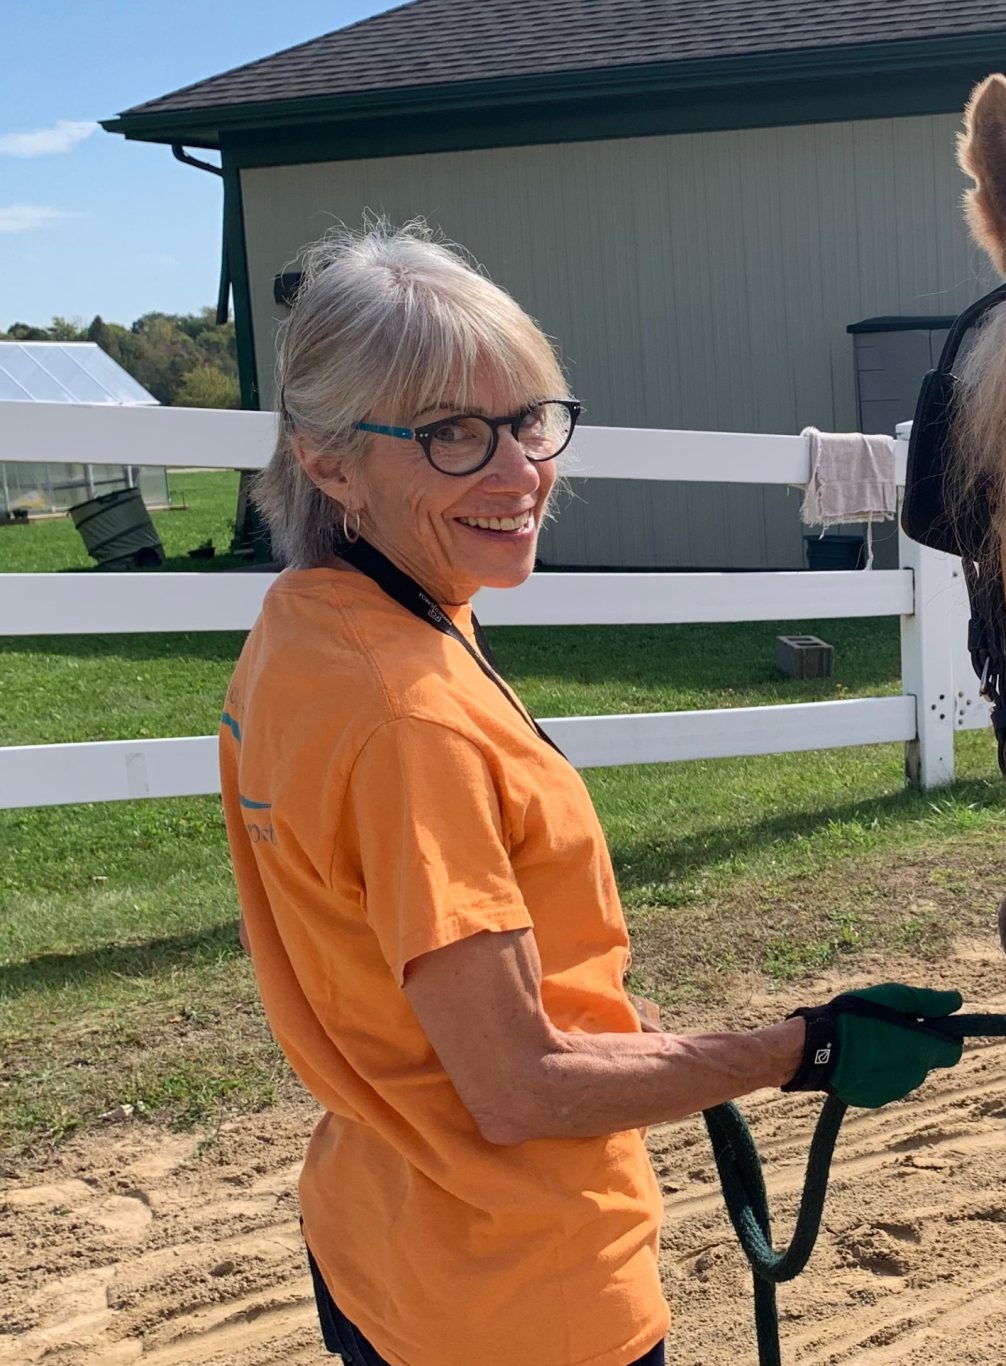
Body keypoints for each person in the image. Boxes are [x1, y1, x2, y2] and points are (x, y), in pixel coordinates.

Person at [220, 222, 964, 1366]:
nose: (519, 472)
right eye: (451, 435)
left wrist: (664, 1038)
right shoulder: (407, 716)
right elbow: (515, 1085)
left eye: (528, 419)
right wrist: (799, 1049)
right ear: (327, 459)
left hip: (383, 1240)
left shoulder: (310, 625)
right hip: (519, 1294)